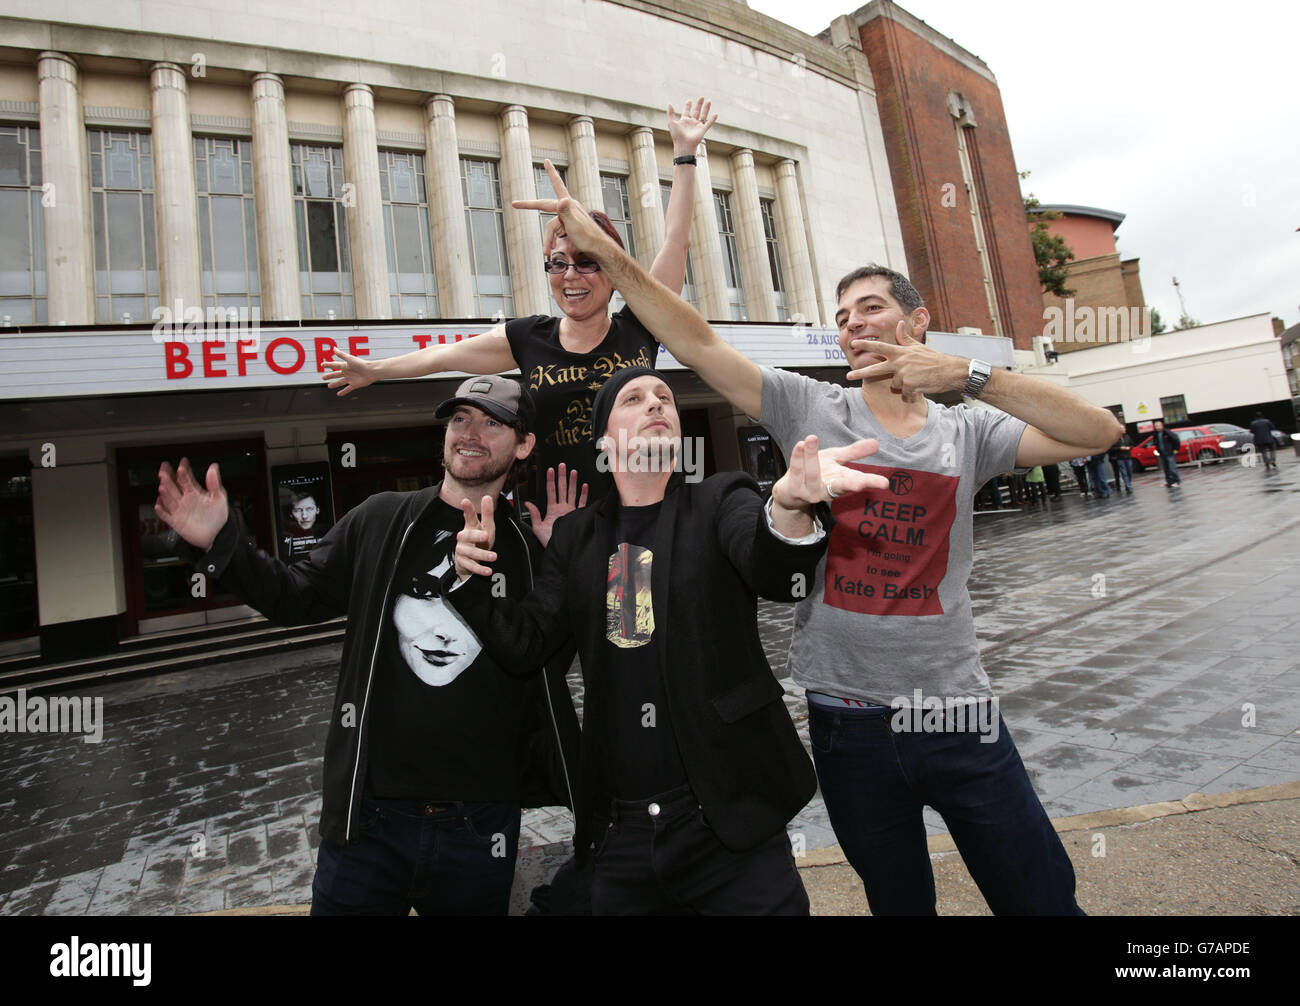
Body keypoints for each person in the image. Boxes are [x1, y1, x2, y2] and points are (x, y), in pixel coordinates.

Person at [519, 164, 1124, 914]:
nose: (854, 324)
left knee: (1040, 898)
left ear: (917, 320)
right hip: (848, 723)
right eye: (842, 316)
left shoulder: (972, 432)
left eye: (871, 308)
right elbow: (696, 340)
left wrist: (969, 375)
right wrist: (604, 256)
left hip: (957, 714)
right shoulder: (810, 406)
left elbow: (1098, 432)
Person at [445, 368, 881, 914]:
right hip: (620, 832)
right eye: (633, 398)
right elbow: (526, 645)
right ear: (606, 440)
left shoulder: (723, 498)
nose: (656, 403)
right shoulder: (577, 536)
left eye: (665, 398)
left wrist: (789, 510)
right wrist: (471, 582)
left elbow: (771, 568)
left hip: (728, 828)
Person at [153, 375, 580, 915]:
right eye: (460, 419)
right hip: (371, 820)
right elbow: (294, 596)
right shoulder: (382, 519)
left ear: (523, 445)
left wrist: (564, 561)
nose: (470, 433)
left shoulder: (530, 547)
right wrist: (222, 544)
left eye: (493, 422)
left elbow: (546, 659)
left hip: (481, 824)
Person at [322, 98, 718, 516]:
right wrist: (375, 370)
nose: (570, 276)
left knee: (635, 585)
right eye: (558, 263)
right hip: (560, 526)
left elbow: (676, 240)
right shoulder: (529, 337)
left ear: (614, 269)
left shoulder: (641, 323)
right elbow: (444, 356)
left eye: (587, 261)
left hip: (647, 514)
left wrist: (685, 155)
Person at [1153, 419, 1182, 487]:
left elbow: (1176, 439)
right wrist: (1158, 450)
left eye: (1158, 426)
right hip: (1162, 453)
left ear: (1161, 425)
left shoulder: (1166, 432)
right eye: (1155, 426)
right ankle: (1169, 482)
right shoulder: (1156, 434)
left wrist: (1176, 449)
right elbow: (1156, 443)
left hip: (1169, 452)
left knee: (1172, 468)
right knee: (1166, 468)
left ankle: (1177, 481)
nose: (1157, 427)